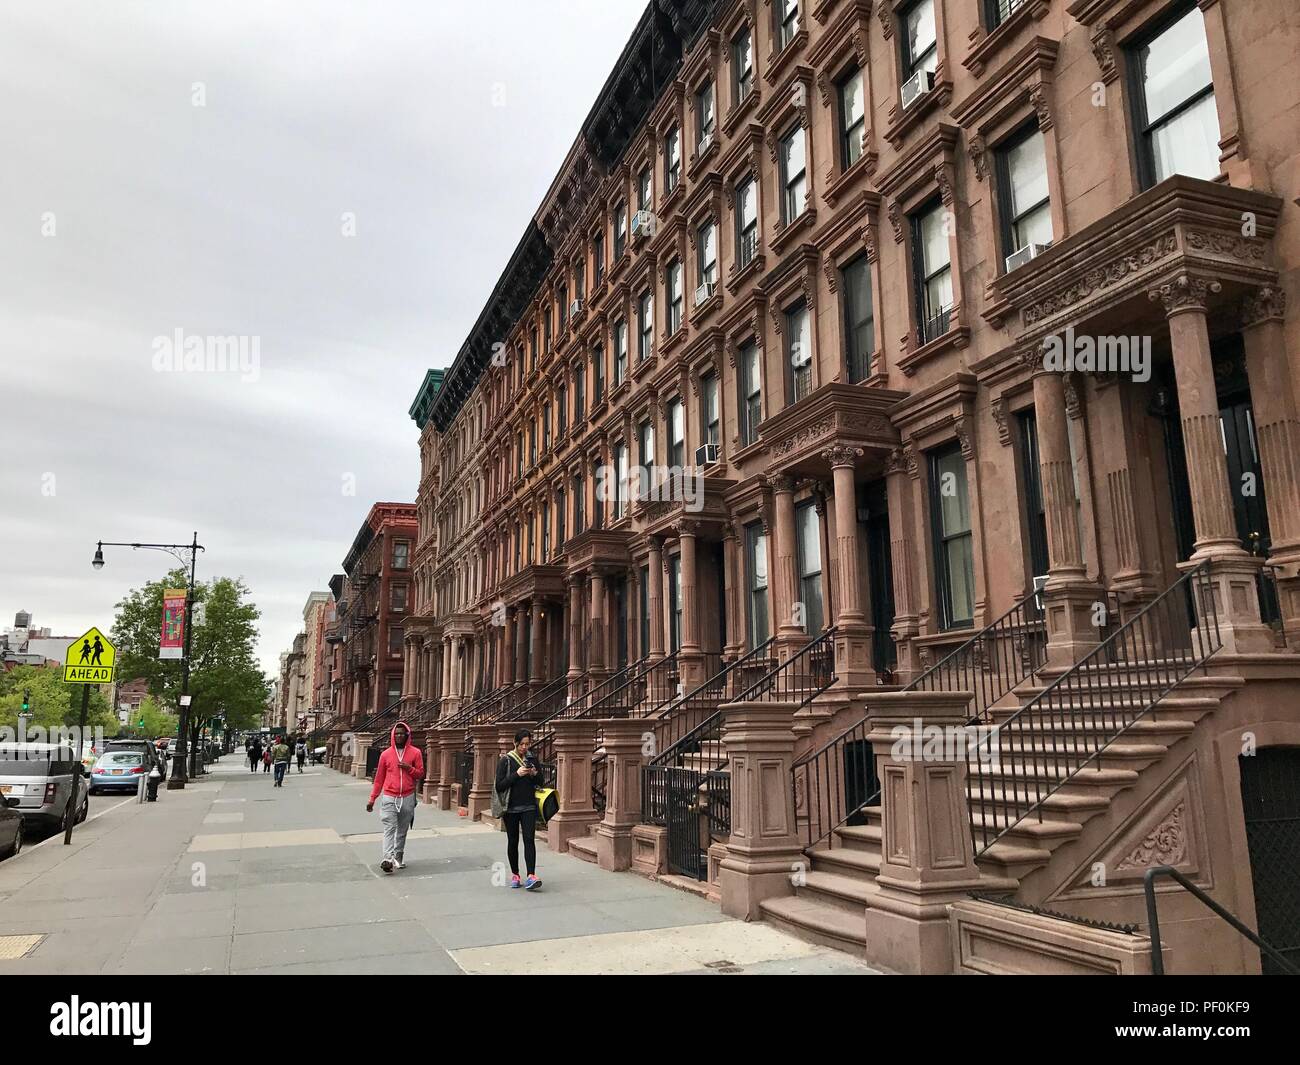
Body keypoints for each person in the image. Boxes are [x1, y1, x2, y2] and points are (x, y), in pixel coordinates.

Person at [365, 722, 424, 873]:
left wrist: (408, 768)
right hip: (389, 796)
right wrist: (372, 799)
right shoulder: (386, 755)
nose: (398, 736)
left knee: (402, 830)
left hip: (408, 796)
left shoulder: (415, 753)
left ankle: (398, 856)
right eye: (396, 733)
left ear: (407, 735)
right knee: (389, 827)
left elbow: (420, 774)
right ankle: (387, 858)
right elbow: (379, 779)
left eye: (401, 734)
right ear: (392, 735)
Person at [495, 729, 543, 891]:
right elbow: (499, 785)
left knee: (529, 839)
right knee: (513, 841)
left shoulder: (532, 759)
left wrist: (534, 773)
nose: (524, 747)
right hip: (511, 808)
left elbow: (541, 782)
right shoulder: (506, 761)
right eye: (521, 744)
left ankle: (531, 875)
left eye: (527, 744)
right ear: (515, 743)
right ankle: (515, 874)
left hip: (528, 805)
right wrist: (517, 774)